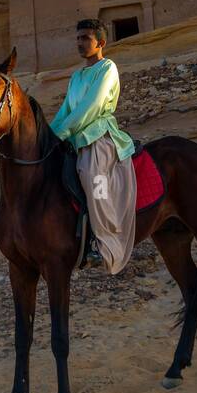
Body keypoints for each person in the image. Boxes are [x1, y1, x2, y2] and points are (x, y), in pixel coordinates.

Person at [50, 19, 137, 273]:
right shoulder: (76, 76)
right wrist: (50, 135)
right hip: (75, 136)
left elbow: (93, 106)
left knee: (91, 176)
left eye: (86, 38)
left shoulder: (107, 68)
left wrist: (65, 131)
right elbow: (66, 109)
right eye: (78, 38)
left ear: (101, 42)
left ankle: (104, 245)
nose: (80, 43)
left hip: (98, 135)